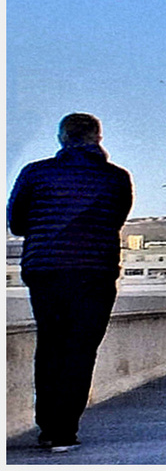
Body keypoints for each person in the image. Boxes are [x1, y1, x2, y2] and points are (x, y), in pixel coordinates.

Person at [7, 112, 135, 451]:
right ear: (97, 138)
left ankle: (48, 427)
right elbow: (116, 220)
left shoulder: (35, 173)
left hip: (46, 270)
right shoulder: (116, 177)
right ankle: (64, 431)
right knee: (81, 349)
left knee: (51, 345)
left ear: (62, 138)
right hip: (95, 272)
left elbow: (16, 223)